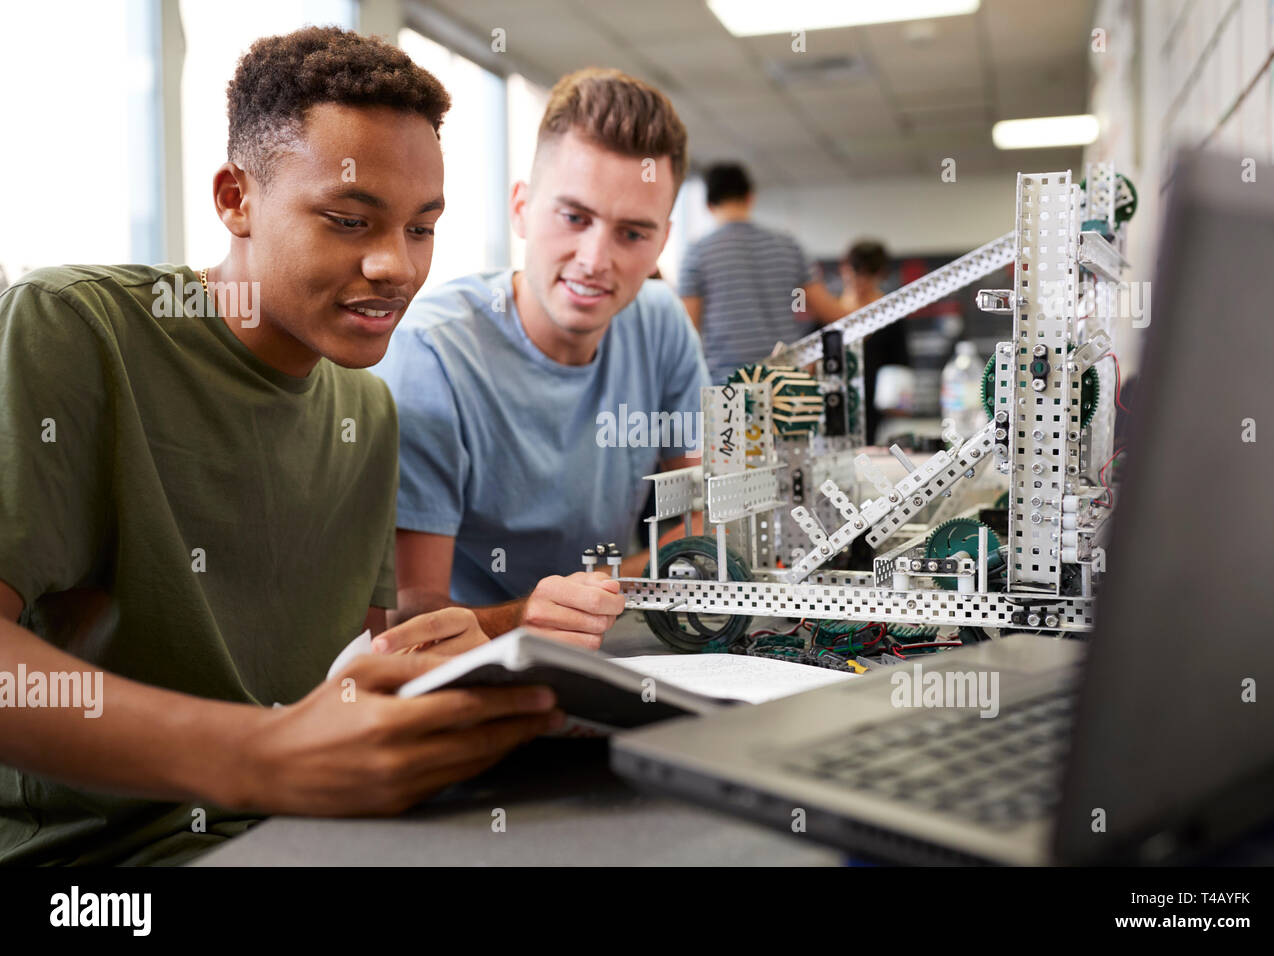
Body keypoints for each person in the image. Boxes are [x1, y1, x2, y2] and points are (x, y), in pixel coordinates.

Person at [0, 27, 563, 866]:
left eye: (421, 228)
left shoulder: (366, 412)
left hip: (314, 837)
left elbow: (349, 676)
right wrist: (263, 758)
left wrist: (484, 648)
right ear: (235, 199)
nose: (395, 266)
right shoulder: (75, 327)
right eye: (348, 220)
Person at [370, 68, 709, 651]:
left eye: (632, 233)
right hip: (477, 676)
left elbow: (702, 521)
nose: (594, 259)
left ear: (661, 242)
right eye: (574, 218)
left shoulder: (661, 321)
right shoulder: (433, 354)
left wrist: (597, 594)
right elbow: (409, 623)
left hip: (617, 648)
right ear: (523, 208)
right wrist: (529, 616)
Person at [678, 162, 847, 384]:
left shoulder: (697, 253)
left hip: (729, 388)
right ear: (750, 197)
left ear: (709, 205)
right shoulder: (789, 246)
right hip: (786, 384)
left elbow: (687, 333)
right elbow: (832, 314)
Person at [839, 239, 909, 444]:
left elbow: (900, 364)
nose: (860, 282)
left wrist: (898, 403)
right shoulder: (830, 313)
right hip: (835, 407)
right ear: (844, 270)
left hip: (876, 414)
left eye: (867, 276)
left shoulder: (891, 314)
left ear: (880, 275)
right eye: (855, 274)